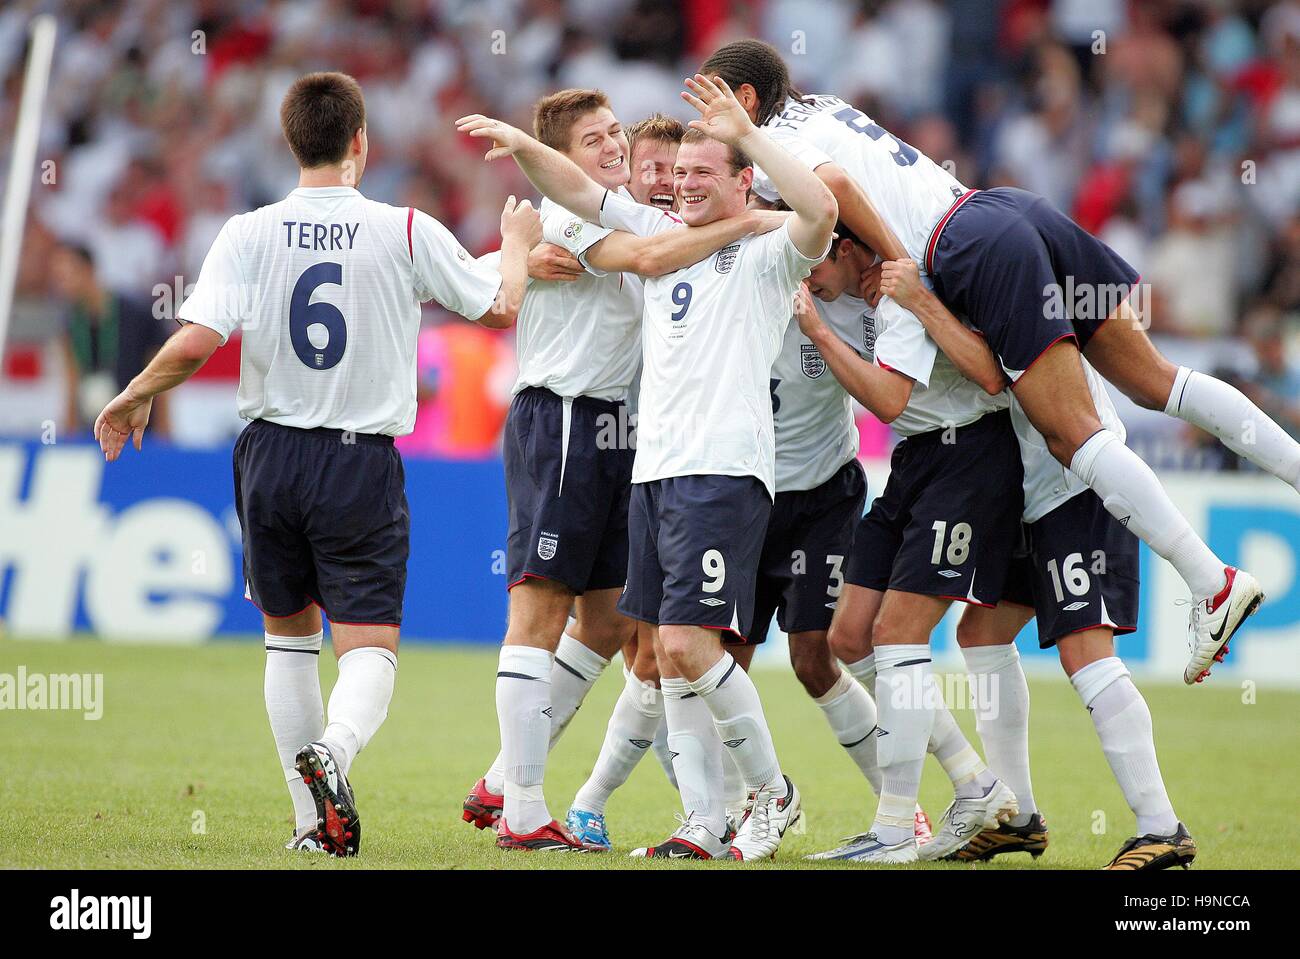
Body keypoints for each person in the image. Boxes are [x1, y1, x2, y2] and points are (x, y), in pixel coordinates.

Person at [701, 38, 1280, 684]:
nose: (704, 124)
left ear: (744, 100)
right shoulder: (823, 108)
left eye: (707, 101)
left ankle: (1211, 580)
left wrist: (901, 263)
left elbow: (832, 187)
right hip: (999, 209)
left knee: (1073, 435)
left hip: (961, 248)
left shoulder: (775, 144)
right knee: (1157, 383)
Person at [94, 71, 539, 857]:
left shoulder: (249, 230)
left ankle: (309, 824)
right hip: (356, 459)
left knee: (287, 641)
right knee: (368, 648)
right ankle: (333, 752)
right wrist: (519, 249)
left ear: (291, 141)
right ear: (361, 144)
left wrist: (135, 392)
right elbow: (499, 305)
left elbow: (199, 339)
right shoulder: (403, 228)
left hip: (267, 454)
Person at [456, 72, 838, 860]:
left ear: (742, 181)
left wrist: (750, 135)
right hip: (650, 472)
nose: (683, 183)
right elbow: (583, 196)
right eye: (680, 173)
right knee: (662, 651)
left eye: (706, 173)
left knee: (692, 647)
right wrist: (526, 145)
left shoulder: (772, 249)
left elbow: (823, 211)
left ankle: (771, 793)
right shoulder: (655, 232)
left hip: (722, 469)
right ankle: (702, 819)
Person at [788, 224, 1022, 864]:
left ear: (846, 248)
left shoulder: (900, 292)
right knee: (848, 635)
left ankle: (894, 829)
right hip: (915, 462)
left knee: (897, 635)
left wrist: (817, 332)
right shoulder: (853, 295)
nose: (806, 278)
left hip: (969, 459)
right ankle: (975, 782)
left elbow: (890, 400)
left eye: (815, 263)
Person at [52, 243, 172, 437]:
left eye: (64, 277)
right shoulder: (70, 323)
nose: (60, 286)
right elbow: (71, 382)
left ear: (87, 270)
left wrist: (163, 433)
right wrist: (69, 435)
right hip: (93, 428)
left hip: (139, 428)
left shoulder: (136, 314)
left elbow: (161, 377)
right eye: (57, 279)